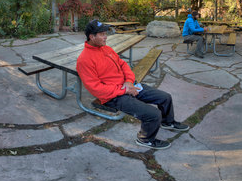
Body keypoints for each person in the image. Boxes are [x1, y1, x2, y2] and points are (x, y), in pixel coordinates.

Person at [77, 20, 189, 150]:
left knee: (165, 97)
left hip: (127, 85)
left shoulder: (106, 49)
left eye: (105, 33)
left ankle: (167, 122)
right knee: (153, 114)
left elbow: (123, 64)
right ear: (92, 36)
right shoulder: (84, 60)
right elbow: (96, 89)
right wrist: (124, 90)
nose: (106, 36)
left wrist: (129, 82)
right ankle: (145, 139)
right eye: (102, 34)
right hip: (113, 96)